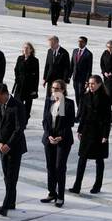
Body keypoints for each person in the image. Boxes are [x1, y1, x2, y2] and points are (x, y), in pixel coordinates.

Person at [70, 75, 111, 195]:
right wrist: (80, 130)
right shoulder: (86, 96)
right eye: (89, 84)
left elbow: (107, 118)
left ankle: (97, 185)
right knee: (82, 158)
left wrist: (105, 135)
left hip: (99, 133)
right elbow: (83, 114)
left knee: (99, 160)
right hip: (87, 131)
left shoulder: (105, 98)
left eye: (93, 84)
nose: (91, 86)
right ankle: (77, 185)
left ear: (99, 84)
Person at [0, 82, 26, 216]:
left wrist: (8, 145)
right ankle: (11, 202)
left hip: (14, 148)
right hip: (2, 148)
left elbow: (19, 128)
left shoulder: (17, 106)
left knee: (12, 177)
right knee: (7, 176)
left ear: (5, 94)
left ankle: (5, 206)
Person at [39, 79, 75, 207]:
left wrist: (60, 136)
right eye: (53, 88)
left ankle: (60, 196)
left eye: (57, 88)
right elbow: (45, 121)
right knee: (50, 166)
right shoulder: (49, 101)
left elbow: (68, 123)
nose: (54, 90)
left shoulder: (68, 103)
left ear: (63, 90)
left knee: (60, 167)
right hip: (49, 139)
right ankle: (52, 192)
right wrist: (49, 135)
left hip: (63, 140)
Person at [12, 42, 40, 123]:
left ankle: (25, 120)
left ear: (31, 50)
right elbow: (16, 69)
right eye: (24, 48)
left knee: (27, 105)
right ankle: (17, 120)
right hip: (19, 85)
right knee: (17, 103)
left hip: (29, 86)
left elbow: (36, 76)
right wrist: (17, 78)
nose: (25, 49)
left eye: (27, 48)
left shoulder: (35, 60)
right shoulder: (20, 58)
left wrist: (35, 89)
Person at [70, 36, 93, 121]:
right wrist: (69, 76)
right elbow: (72, 64)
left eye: (82, 42)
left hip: (83, 79)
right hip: (75, 78)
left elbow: (89, 69)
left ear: (85, 43)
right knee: (77, 96)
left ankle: (79, 115)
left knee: (81, 97)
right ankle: (80, 113)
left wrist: (87, 81)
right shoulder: (75, 51)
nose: (80, 43)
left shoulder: (88, 54)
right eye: (79, 41)